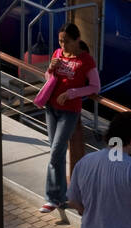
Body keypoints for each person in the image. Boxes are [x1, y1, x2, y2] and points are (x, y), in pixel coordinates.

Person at [41, 24, 100, 213]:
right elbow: (49, 78)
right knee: (54, 152)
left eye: (66, 41)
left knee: (56, 152)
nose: (63, 44)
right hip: (51, 107)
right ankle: (58, 197)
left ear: (76, 40)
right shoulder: (58, 53)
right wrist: (50, 69)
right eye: (60, 40)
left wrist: (72, 93)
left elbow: (94, 87)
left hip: (69, 111)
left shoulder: (86, 60)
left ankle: (53, 197)